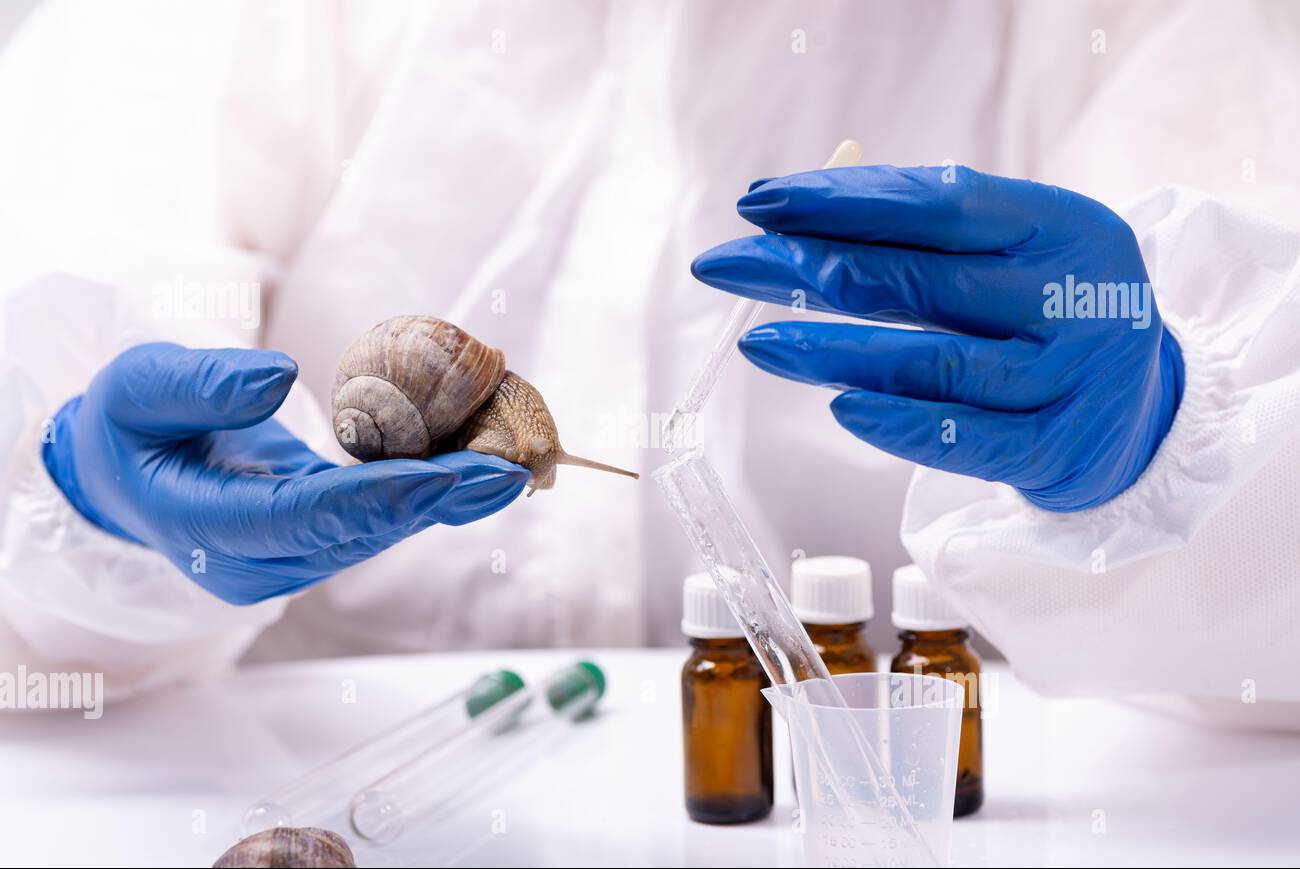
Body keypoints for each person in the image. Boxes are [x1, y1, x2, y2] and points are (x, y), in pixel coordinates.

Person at [0, 1, 1297, 720]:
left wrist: (1166, 456)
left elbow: (1263, 657)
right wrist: (83, 498)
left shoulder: (1142, 29)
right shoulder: (227, 30)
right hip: (335, 799)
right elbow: (75, 265)